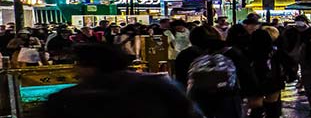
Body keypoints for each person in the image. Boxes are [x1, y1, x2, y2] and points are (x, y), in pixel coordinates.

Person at [44, 44, 202, 118]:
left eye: (78, 63)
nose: (75, 68)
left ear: (89, 67)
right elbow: (189, 112)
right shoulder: (158, 83)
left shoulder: (69, 97)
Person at [174, 25, 255, 118]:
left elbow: (180, 82)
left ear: (192, 38)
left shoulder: (185, 55)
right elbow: (247, 78)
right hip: (228, 102)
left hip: (198, 103)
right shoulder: (231, 52)